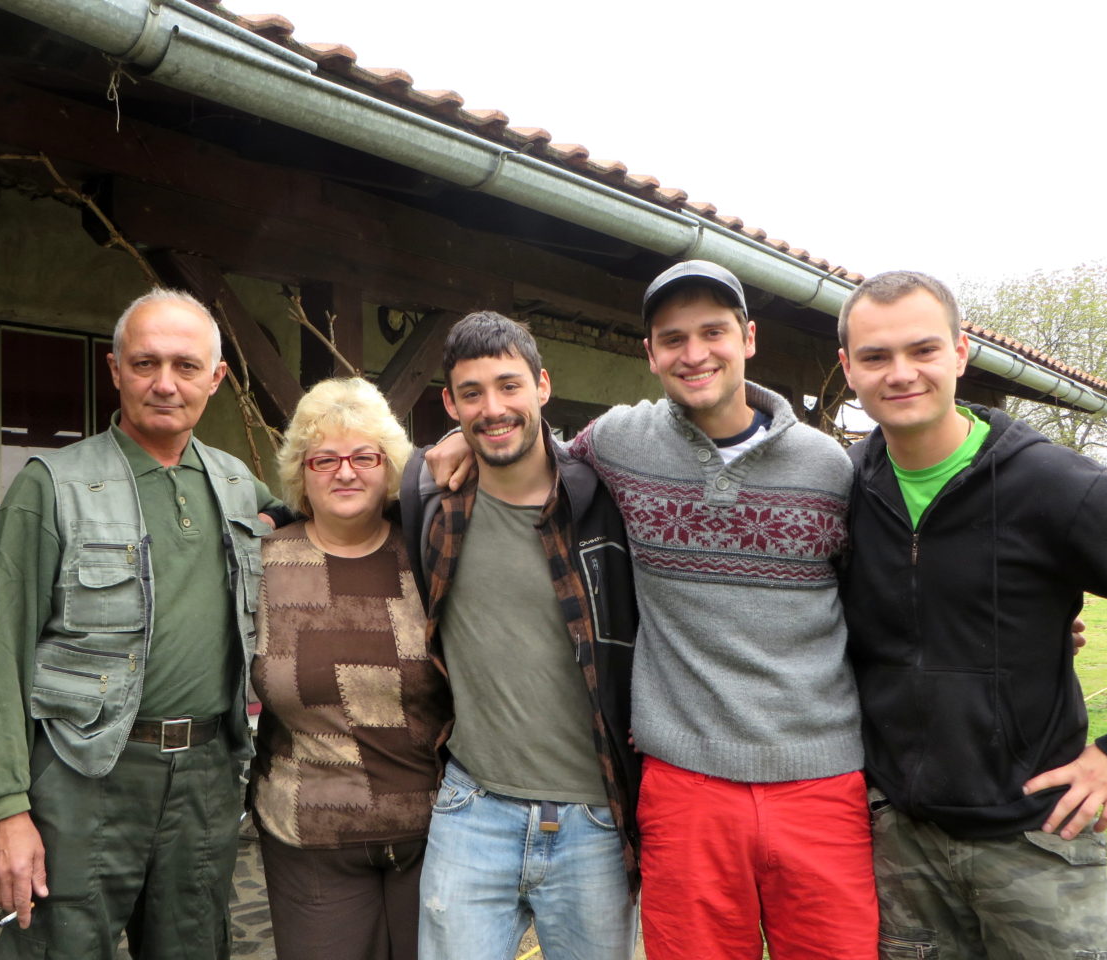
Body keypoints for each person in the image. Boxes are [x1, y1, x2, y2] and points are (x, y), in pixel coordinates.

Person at [427, 263, 877, 959]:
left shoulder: (830, 468)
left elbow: (882, 597)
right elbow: (533, 452)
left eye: (713, 333)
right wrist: (464, 434)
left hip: (818, 779)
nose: (694, 353)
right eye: (673, 339)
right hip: (685, 782)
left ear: (748, 338)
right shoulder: (621, 442)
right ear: (651, 354)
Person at [0, 288, 282, 959]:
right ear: (115, 370)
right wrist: (5, 809)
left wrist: (449, 455)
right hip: (83, 775)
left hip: (206, 776)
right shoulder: (52, 485)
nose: (165, 383)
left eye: (186, 366)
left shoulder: (236, 484)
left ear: (216, 378)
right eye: (145, 363)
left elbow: (336, 502)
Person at [837, 270, 1107, 958]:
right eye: (876, 356)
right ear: (847, 368)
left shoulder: (1059, 486)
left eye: (923, 349)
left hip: (1036, 839)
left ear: (960, 353)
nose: (901, 373)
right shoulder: (840, 488)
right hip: (901, 843)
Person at [403, 312, 640, 960]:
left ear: (543, 385)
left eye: (509, 385)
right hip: (473, 810)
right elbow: (329, 492)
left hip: (593, 819)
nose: (493, 408)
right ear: (450, 404)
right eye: (471, 393)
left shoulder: (603, 503)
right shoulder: (431, 500)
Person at [249, 377, 450, 960]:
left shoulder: (430, 555)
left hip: (436, 834)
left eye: (365, 457)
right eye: (325, 459)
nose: (345, 472)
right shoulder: (263, 567)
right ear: (302, 472)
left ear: (390, 469)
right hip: (309, 839)